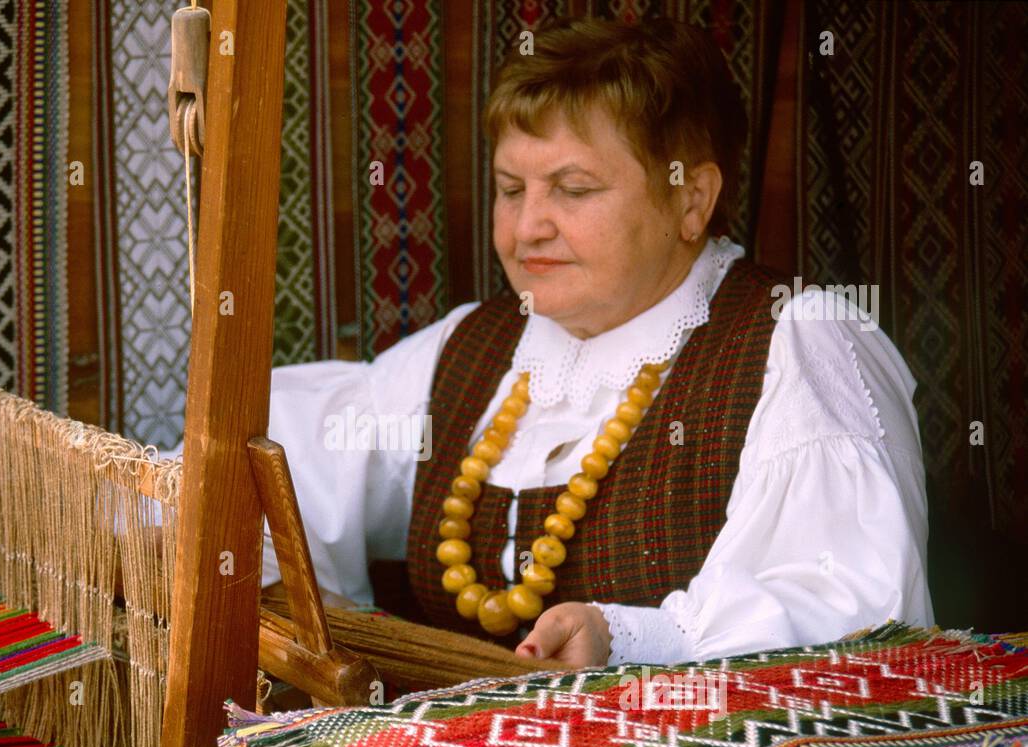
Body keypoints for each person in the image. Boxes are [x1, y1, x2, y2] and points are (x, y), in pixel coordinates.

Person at [260, 16, 932, 668]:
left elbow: (849, 613)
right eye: (510, 189)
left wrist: (630, 637)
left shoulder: (799, 339)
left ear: (692, 199)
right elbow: (285, 463)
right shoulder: (473, 346)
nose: (528, 228)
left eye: (573, 190)